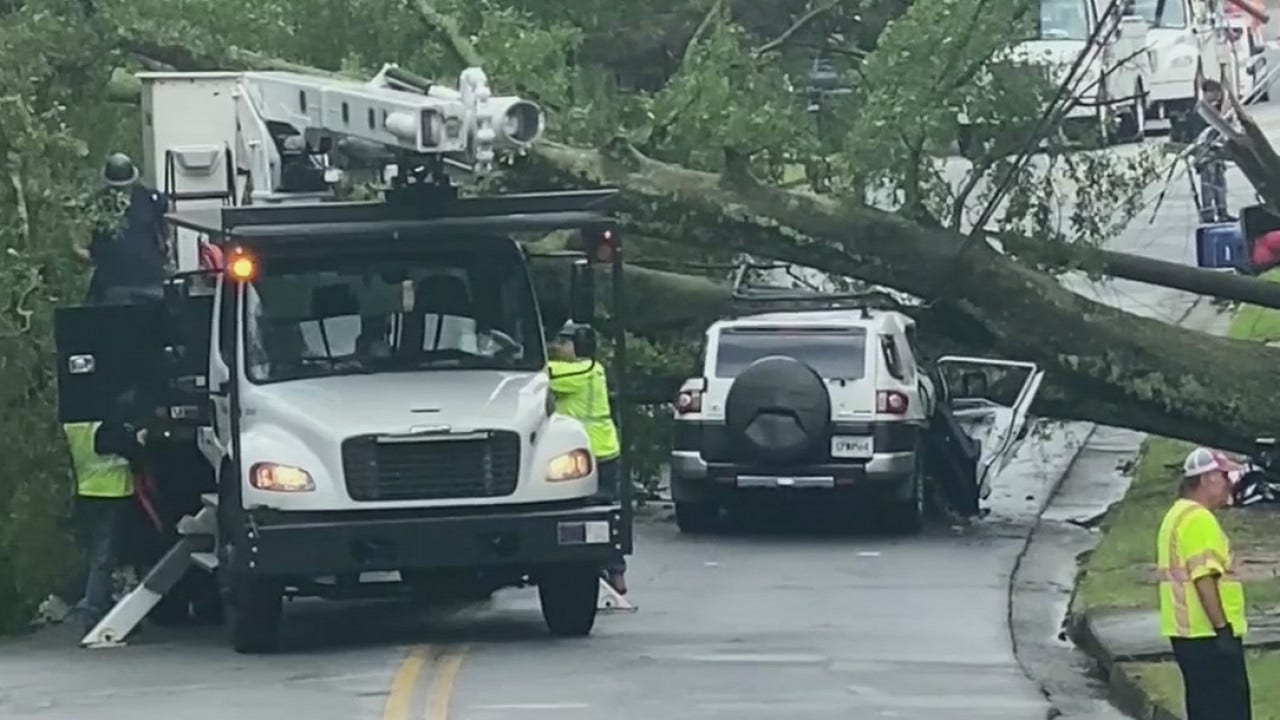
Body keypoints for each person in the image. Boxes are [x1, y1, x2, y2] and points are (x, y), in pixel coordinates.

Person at [1155, 447, 1252, 720]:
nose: (1229, 486)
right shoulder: (1199, 519)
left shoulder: (1175, 516)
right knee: (1229, 711)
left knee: (1203, 710)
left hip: (1186, 634)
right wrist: (1223, 629)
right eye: (1225, 478)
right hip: (1208, 636)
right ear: (1208, 478)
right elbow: (1203, 578)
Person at [546, 321, 626, 594]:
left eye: (564, 342)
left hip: (587, 453)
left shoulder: (576, 372)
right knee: (606, 515)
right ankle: (616, 574)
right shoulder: (596, 368)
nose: (557, 347)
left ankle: (600, 572)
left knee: (588, 519)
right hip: (606, 448)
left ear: (578, 346)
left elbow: (537, 374)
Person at [62, 392, 148, 637]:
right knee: (105, 559)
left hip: (86, 493)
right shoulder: (105, 427)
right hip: (112, 495)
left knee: (98, 558)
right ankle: (93, 612)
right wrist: (137, 439)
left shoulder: (73, 426)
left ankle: (99, 606)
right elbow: (129, 451)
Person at [72, 152, 171, 305]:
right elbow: (166, 235)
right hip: (143, 284)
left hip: (118, 287)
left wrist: (101, 259)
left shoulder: (96, 204)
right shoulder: (152, 199)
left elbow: (78, 247)